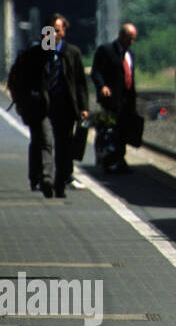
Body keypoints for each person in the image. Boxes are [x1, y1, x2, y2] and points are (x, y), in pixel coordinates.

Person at [7, 14, 89, 197]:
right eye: (50, 31)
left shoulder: (72, 53)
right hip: (41, 106)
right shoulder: (36, 53)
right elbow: (17, 77)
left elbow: (80, 82)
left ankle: (61, 180)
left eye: (57, 31)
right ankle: (44, 178)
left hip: (65, 106)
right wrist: (22, 101)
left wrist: (84, 107)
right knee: (44, 140)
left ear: (64, 32)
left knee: (64, 144)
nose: (53, 35)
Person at [91, 23, 140, 173]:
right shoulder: (106, 50)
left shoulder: (129, 54)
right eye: (130, 38)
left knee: (123, 131)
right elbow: (96, 71)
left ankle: (120, 159)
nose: (131, 42)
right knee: (110, 130)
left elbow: (129, 76)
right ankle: (106, 158)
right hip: (111, 99)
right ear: (121, 36)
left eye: (133, 39)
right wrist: (102, 86)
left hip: (126, 101)